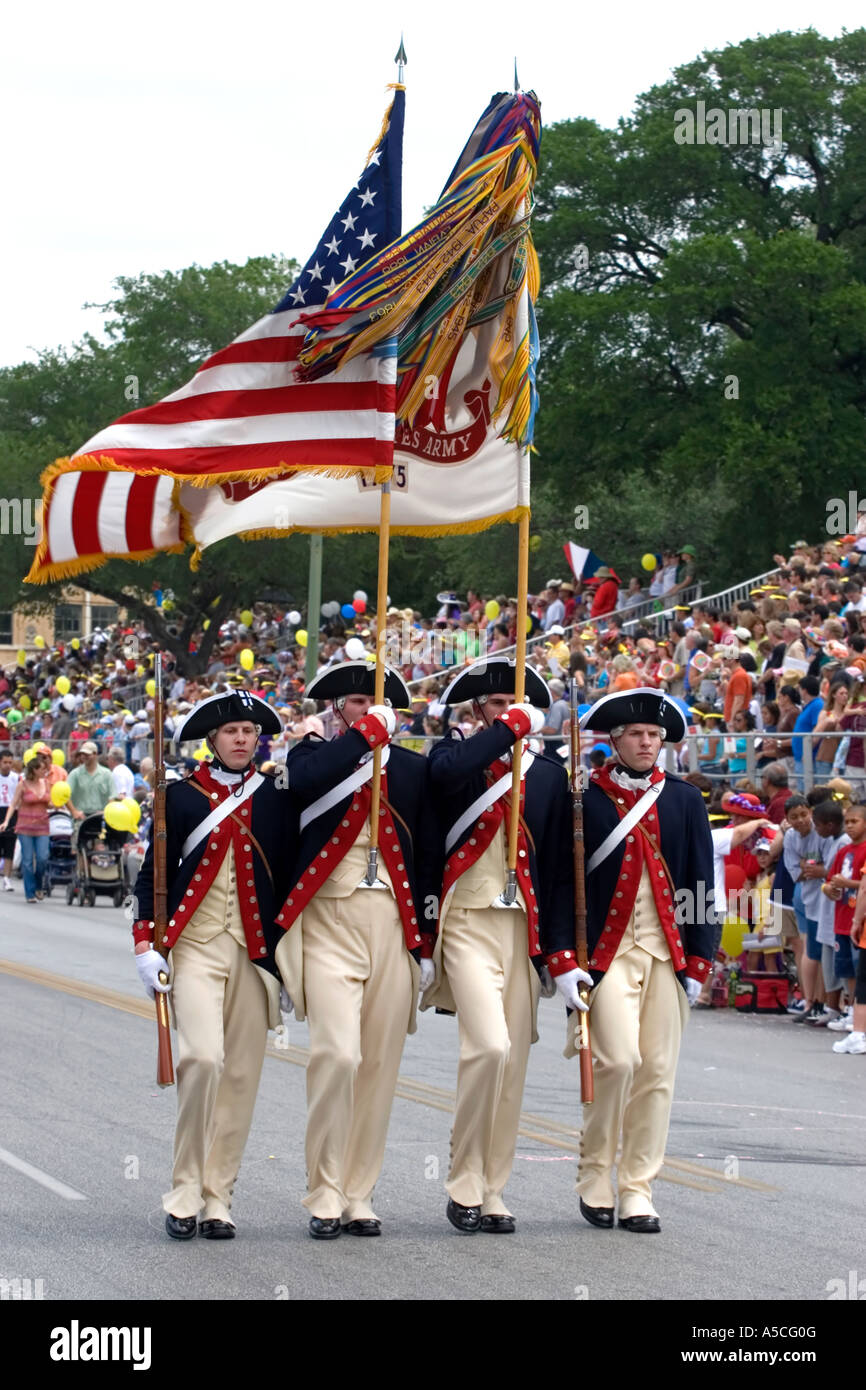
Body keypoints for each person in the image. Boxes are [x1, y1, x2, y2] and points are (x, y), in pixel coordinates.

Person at [273, 661, 434, 1240]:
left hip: (391, 921)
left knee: (378, 1065)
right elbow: (307, 785)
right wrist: (365, 736)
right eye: (356, 701)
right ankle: (323, 1189)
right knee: (337, 1055)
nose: (367, 708)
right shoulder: (311, 755)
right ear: (338, 708)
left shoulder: (412, 768)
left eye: (377, 702)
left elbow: (430, 854)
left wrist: (428, 938)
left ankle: (358, 1191)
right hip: (327, 920)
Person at [422, 656, 579, 1234]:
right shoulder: (454, 757)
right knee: (487, 1047)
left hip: (522, 928)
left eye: (511, 706)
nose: (504, 713)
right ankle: (462, 1180)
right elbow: (447, 775)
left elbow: (560, 869)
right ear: (475, 711)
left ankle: (492, 1188)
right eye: (492, 705)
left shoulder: (546, 774)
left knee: (512, 1061)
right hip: (465, 918)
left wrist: (562, 957)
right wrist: (502, 731)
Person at [131, 690, 295, 1241]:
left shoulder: (276, 796)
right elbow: (153, 872)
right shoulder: (178, 797)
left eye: (250, 731)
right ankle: (184, 1188)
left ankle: (218, 1196)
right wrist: (145, 941)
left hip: (254, 954)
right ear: (213, 740)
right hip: (195, 944)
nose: (242, 739)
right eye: (232, 731)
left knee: (242, 1076)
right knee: (201, 1058)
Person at [574, 689, 715, 1233]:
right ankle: (593, 1175)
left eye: (655, 736)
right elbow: (570, 882)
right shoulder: (583, 797)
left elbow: (702, 882)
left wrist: (699, 960)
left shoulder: (682, 799)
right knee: (618, 1061)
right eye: (636, 734)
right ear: (614, 740)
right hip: (608, 954)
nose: (646, 742)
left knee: (657, 1072)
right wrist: (564, 957)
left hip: (667, 953)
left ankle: (637, 1186)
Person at [1, 749, 51, 902]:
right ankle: (30, 893)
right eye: (42, 769)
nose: (45, 771)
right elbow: (13, 804)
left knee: (42, 858)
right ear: (35, 770)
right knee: (28, 861)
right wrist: (7, 821)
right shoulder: (22, 785)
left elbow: (50, 802)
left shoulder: (47, 783)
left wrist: (58, 805)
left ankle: (38, 885)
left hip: (42, 826)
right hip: (25, 826)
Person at [67, 741, 114, 825]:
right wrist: (74, 812)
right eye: (82, 754)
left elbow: (112, 796)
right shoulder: (75, 774)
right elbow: (66, 795)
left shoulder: (106, 774)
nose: (84, 757)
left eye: (87, 754)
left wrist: (107, 812)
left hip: (101, 817)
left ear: (95, 754)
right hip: (81, 818)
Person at [0, 747, 20, 892]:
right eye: (5, 762)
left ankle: (7, 878)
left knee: (9, 845)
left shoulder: (16, 778)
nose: (7, 765)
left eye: (10, 762)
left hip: (11, 811)